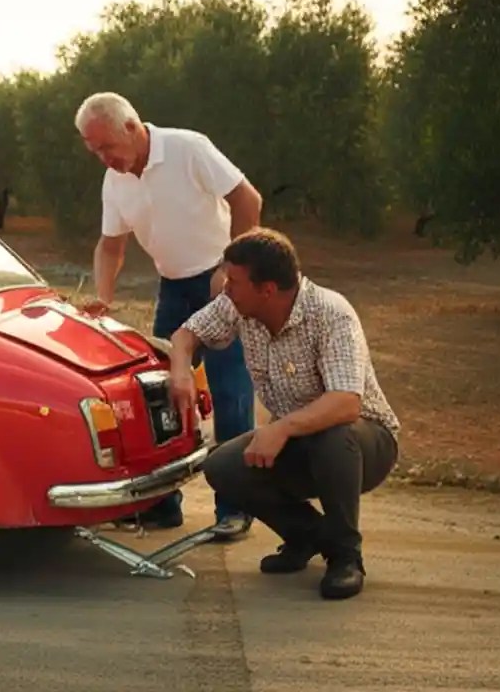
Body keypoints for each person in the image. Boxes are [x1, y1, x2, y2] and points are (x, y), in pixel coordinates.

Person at [168, 227, 401, 600]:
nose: (224, 289)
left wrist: (281, 429)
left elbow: (346, 403)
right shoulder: (238, 305)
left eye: (234, 282)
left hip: (363, 441)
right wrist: (180, 371)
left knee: (334, 437)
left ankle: (345, 557)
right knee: (222, 466)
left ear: (268, 290)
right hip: (298, 438)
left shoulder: (331, 314)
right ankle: (306, 537)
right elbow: (186, 334)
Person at [73, 91, 261, 538]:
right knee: (159, 398)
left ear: (133, 129)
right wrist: (103, 296)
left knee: (230, 398)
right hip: (173, 290)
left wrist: (232, 267)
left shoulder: (188, 148)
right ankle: (162, 507)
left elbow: (248, 200)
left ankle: (236, 509)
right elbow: (110, 245)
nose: (104, 159)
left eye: (108, 148)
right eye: (94, 150)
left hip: (220, 286)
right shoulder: (115, 181)